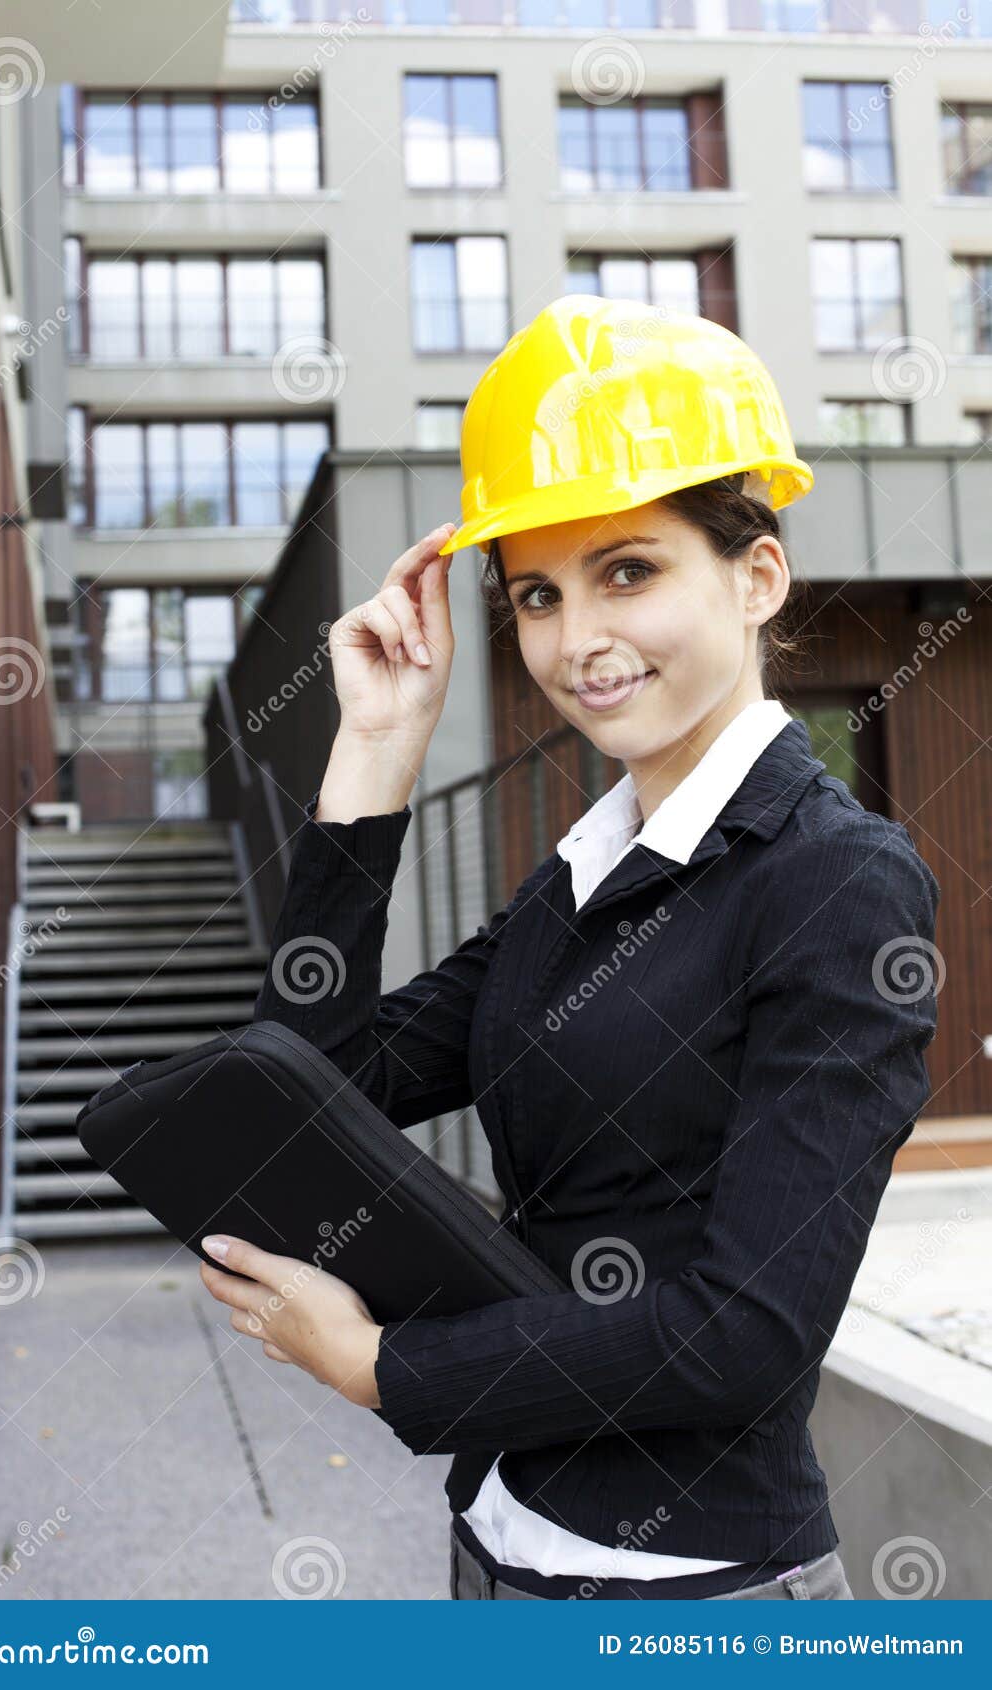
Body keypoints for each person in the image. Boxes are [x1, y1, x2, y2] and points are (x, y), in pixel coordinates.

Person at [199, 297, 940, 1601]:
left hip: (697, 1596)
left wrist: (385, 1368)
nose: (576, 638)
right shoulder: (576, 886)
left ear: (756, 574)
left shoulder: (836, 882)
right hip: (496, 1552)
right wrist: (373, 752)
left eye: (629, 570)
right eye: (537, 593)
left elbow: (746, 1329)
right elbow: (317, 1095)